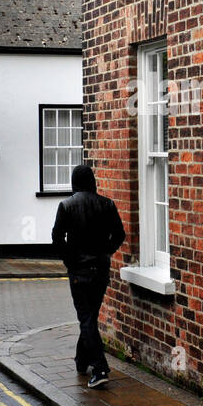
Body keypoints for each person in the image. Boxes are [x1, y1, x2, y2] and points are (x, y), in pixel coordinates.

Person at [51, 163, 125, 388]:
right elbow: (120, 234)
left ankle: (100, 367)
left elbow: (56, 238)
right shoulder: (107, 204)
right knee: (89, 318)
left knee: (86, 318)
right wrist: (106, 252)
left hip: (79, 273)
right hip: (100, 271)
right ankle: (81, 361)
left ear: (74, 182)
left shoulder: (66, 205)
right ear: (92, 181)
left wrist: (69, 261)